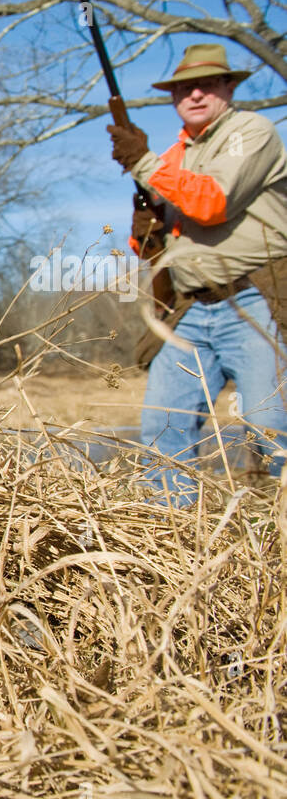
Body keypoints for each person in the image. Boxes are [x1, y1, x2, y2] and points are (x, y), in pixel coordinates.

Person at [108, 43, 287, 506]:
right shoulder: (172, 157)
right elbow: (156, 246)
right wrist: (143, 230)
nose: (196, 93)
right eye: (185, 87)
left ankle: (277, 536)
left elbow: (212, 203)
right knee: (164, 428)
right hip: (189, 309)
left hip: (251, 301)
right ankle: (170, 544)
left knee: (272, 428)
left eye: (209, 83)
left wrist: (143, 163)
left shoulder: (253, 132)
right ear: (174, 98)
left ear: (230, 86)